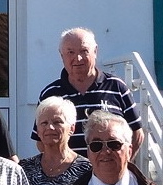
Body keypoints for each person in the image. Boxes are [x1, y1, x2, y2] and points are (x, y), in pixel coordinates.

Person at [32, 28, 144, 156]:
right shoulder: (50, 94)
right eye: (70, 52)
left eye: (84, 51)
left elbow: (137, 133)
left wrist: (121, 165)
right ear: (61, 55)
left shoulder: (117, 87)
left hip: (107, 174)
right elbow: (41, 141)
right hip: (68, 175)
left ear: (95, 51)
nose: (78, 58)